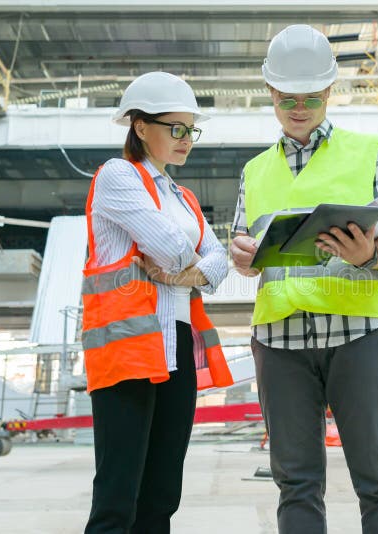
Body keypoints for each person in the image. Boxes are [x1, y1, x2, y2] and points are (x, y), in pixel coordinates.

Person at [230, 25, 378, 533]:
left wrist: (368, 255)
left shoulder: (367, 150)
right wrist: (242, 256)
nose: (299, 108)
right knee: (296, 486)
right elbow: (244, 245)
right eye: (287, 98)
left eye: (311, 98)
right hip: (280, 342)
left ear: (330, 91)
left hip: (358, 337)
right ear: (271, 92)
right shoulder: (254, 171)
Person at [82, 71, 232, 534]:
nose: (187, 139)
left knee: (163, 494)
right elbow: (171, 245)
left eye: (192, 130)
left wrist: (188, 273)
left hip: (177, 348)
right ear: (141, 126)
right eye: (177, 128)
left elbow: (220, 260)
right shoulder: (117, 176)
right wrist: (191, 266)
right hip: (128, 348)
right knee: (118, 496)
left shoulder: (182, 196)